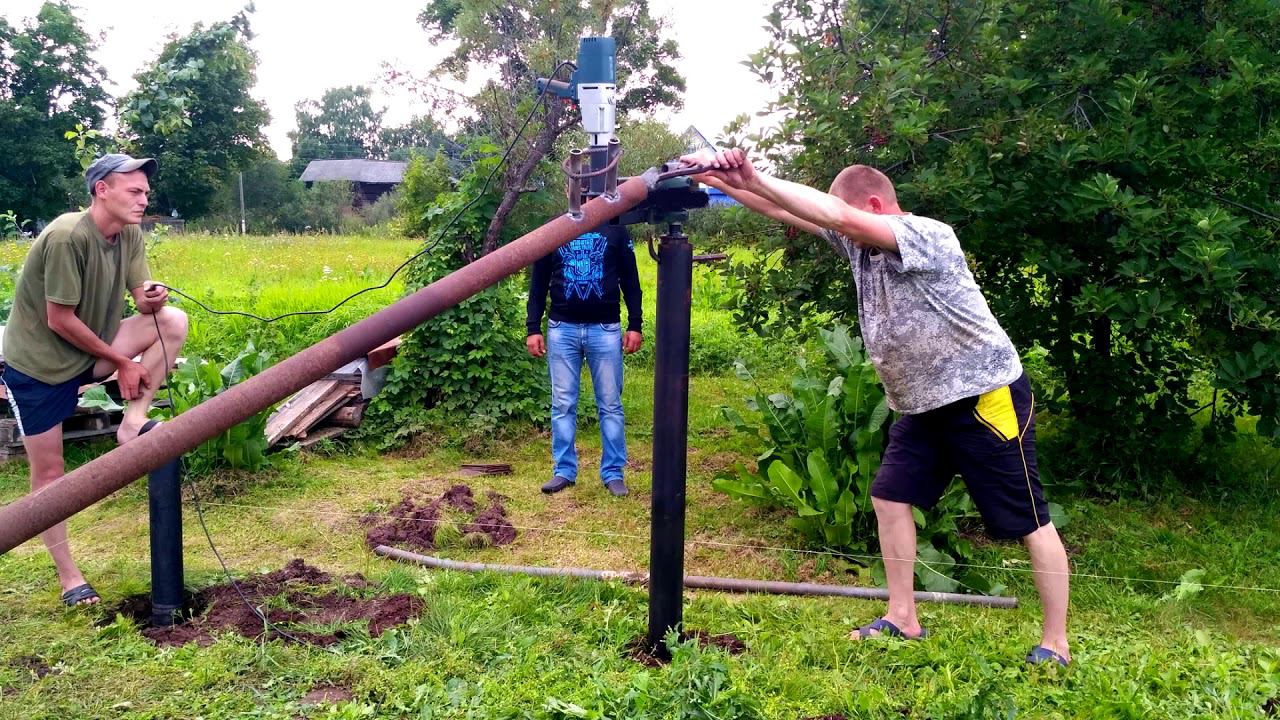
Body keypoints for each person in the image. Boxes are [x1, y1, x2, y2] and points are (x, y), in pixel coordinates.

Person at [682, 148, 1071, 667]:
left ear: (873, 205)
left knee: (1029, 519)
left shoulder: (927, 235)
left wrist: (752, 171)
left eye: (850, 218)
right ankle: (903, 618)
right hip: (921, 404)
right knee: (890, 499)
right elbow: (785, 210)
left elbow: (836, 215)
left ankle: (1055, 644)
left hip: (982, 396)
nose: (841, 229)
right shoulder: (858, 242)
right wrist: (721, 181)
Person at [1, 154, 188, 606]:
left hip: (88, 353)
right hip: (39, 368)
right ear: (101, 190)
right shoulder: (68, 236)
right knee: (50, 474)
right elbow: (59, 319)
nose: (144, 200)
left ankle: (131, 422)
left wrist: (152, 297)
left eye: (146, 192)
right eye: (134, 191)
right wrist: (122, 363)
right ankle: (69, 576)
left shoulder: (128, 235)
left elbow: (145, 309)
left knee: (172, 320)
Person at [526, 220, 643, 497]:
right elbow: (539, 282)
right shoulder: (554, 228)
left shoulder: (615, 230)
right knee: (563, 403)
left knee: (611, 404)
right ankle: (564, 471)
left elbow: (630, 280)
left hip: (605, 329)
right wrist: (533, 328)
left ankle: (613, 473)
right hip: (561, 329)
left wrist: (635, 324)